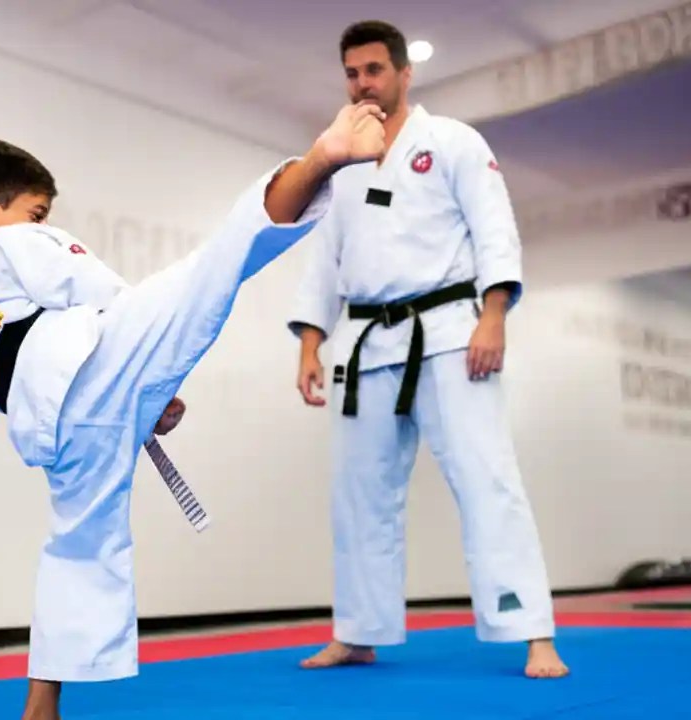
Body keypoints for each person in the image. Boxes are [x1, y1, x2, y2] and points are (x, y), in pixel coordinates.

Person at [0, 102, 387, 719]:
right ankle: (324, 157)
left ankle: (41, 706)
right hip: (96, 362)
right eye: (35, 211)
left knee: (76, 548)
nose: (42, 222)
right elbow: (95, 293)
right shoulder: (17, 242)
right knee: (218, 263)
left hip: (53, 425)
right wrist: (141, 368)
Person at [287, 20, 569, 680]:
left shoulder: (451, 142)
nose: (363, 84)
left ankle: (532, 629)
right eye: (353, 73)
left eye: (375, 70)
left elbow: (494, 228)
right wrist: (309, 342)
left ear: (404, 73)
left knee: (485, 476)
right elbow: (323, 263)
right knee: (358, 495)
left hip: (448, 334)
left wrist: (493, 315)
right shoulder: (340, 162)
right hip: (363, 345)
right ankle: (358, 632)